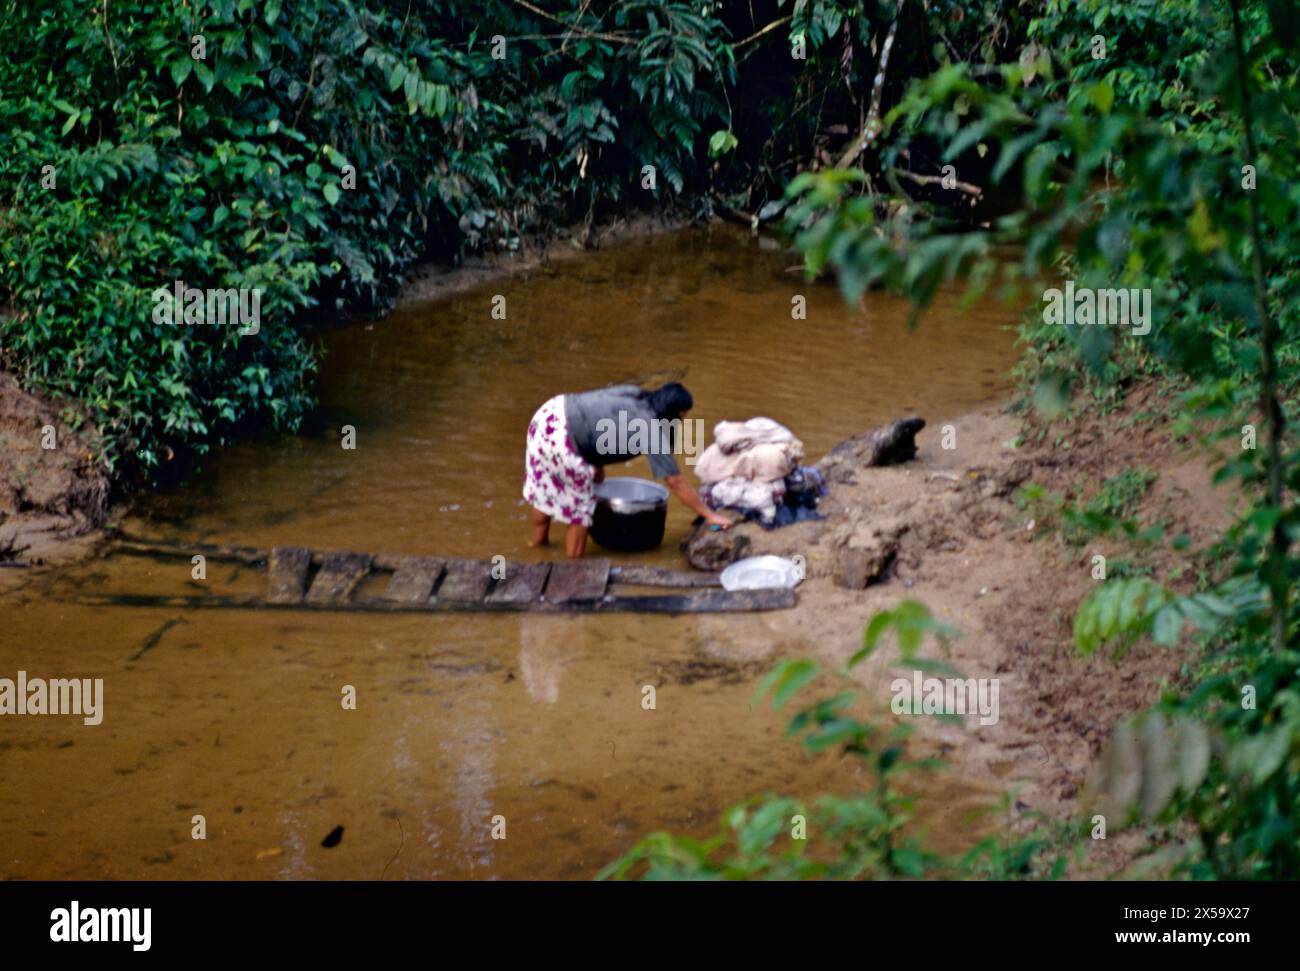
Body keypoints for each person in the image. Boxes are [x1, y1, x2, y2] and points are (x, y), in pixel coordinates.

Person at [523, 382, 733, 558]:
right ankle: (573, 568)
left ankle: (537, 548)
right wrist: (709, 515)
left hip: (548, 416)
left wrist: (596, 463)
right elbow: (674, 481)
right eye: (682, 416)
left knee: (545, 489)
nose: (683, 421)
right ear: (672, 413)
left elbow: (596, 416)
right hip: (563, 443)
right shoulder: (649, 428)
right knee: (580, 509)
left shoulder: (635, 394)